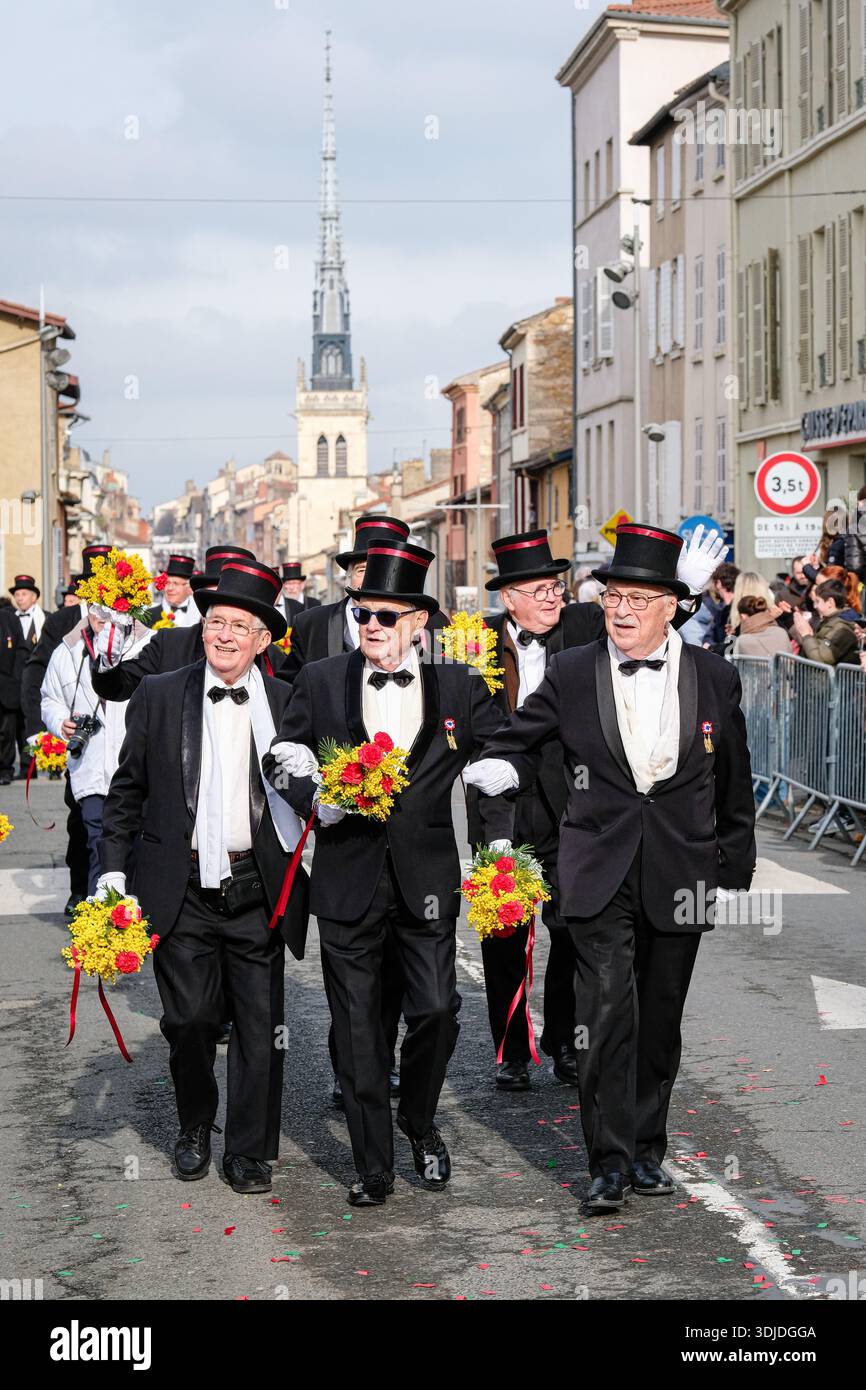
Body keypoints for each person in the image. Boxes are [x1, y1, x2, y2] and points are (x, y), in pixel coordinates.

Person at [465, 522, 756, 1212]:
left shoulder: (715, 676)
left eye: (638, 599)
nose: (621, 611)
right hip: (596, 868)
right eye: (613, 597)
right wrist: (500, 769)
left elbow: (733, 778)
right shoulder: (573, 671)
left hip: (680, 871)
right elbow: (515, 739)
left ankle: (649, 1149)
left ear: (671, 607)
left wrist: (733, 863)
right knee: (603, 1014)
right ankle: (608, 1161)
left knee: (660, 1018)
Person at [266, 539, 513, 1208]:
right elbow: (280, 757)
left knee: (435, 1009)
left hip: (427, 881)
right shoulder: (320, 680)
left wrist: (498, 840)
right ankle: (373, 1165)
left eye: (385, 615)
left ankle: (419, 1121)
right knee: (358, 1031)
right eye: (361, 613)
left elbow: (500, 760)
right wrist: (316, 798)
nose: (371, 625)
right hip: (346, 881)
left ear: (418, 622)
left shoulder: (459, 685)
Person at [97, 559, 309, 1195]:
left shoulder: (288, 703)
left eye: (240, 627)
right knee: (188, 1022)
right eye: (217, 622)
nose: (224, 635)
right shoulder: (160, 694)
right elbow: (126, 791)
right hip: (181, 888)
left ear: (262, 640)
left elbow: (310, 789)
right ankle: (194, 1124)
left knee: (259, 1029)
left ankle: (248, 1150)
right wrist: (112, 872)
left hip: (259, 889)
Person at [20, 545, 113, 913]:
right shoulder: (63, 623)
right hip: (81, 745)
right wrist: (47, 728)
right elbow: (38, 677)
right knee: (82, 820)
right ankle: (81, 891)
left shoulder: (134, 623)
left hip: (123, 746)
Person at [40, 605, 153, 893]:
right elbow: (50, 698)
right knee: (98, 844)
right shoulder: (68, 649)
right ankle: (99, 914)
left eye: (111, 609)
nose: (103, 617)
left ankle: (134, 912)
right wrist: (60, 722)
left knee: (136, 848)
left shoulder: (149, 646)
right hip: (90, 768)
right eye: (96, 609)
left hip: (136, 769)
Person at [91, 546, 286, 702]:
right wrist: (108, 663)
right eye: (216, 596)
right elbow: (119, 687)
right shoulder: (168, 643)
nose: (224, 604)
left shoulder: (274, 660)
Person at [8, 574, 46, 776]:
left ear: (34, 597)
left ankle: (41, 763)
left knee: (36, 721)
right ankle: (23, 766)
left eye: (23, 594)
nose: (19, 598)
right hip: (15, 680)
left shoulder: (46, 618)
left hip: (38, 679)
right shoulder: (8, 619)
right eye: (17, 594)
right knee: (17, 724)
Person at [791, 580, 860, 666]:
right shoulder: (829, 621)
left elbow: (821, 659)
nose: (815, 606)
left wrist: (806, 635)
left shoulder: (842, 629)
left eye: (818, 601)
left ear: (830, 602)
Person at [0, 603, 28, 786]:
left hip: (6, 687)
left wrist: (15, 678)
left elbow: (21, 651)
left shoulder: (10, 619)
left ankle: (4, 769)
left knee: (6, 732)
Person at [145, 554, 198, 627]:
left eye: (176, 583)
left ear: (189, 587)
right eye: (167, 583)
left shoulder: (200, 615)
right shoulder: (148, 616)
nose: (170, 588)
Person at [702, 562, 739, 653]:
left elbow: (709, 638)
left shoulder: (725, 612)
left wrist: (711, 647)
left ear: (718, 583)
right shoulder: (741, 608)